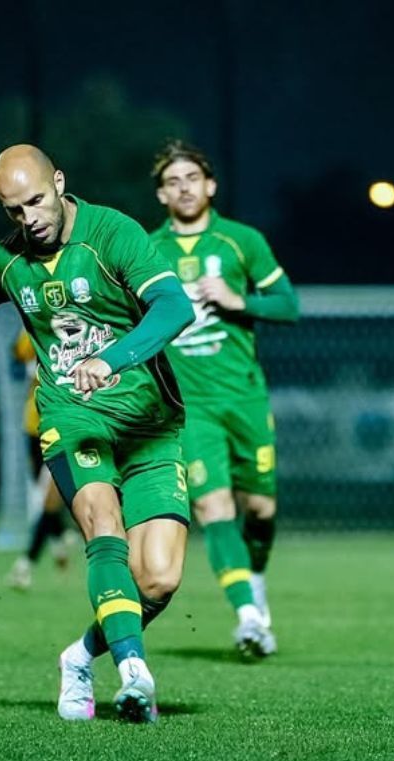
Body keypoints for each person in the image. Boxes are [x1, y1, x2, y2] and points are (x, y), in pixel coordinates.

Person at [0, 144, 194, 723]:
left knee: (157, 580)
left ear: (59, 182)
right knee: (101, 525)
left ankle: (80, 657)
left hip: (150, 422)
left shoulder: (113, 233)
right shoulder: (4, 261)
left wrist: (114, 358)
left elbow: (173, 306)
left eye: (36, 200)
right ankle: (134, 674)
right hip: (72, 413)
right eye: (13, 210)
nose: (28, 217)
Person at [148, 140, 298, 657]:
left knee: (259, 510)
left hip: (246, 400)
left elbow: (288, 304)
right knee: (213, 507)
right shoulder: (149, 251)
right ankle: (250, 617)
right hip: (192, 409)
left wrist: (239, 300)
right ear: (162, 195)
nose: (184, 187)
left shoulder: (240, 241)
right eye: (173, 181)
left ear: (210, 186)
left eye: (193, 177)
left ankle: (253, 581)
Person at [4, 331, 76, 590]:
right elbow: (15, 363)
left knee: (48, 498)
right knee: (45, 499)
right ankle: (59, 539)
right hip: (33, 424)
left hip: (65, 425)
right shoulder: (30, 330)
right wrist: (30, 371)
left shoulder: (84, 327)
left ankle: (25, 565)